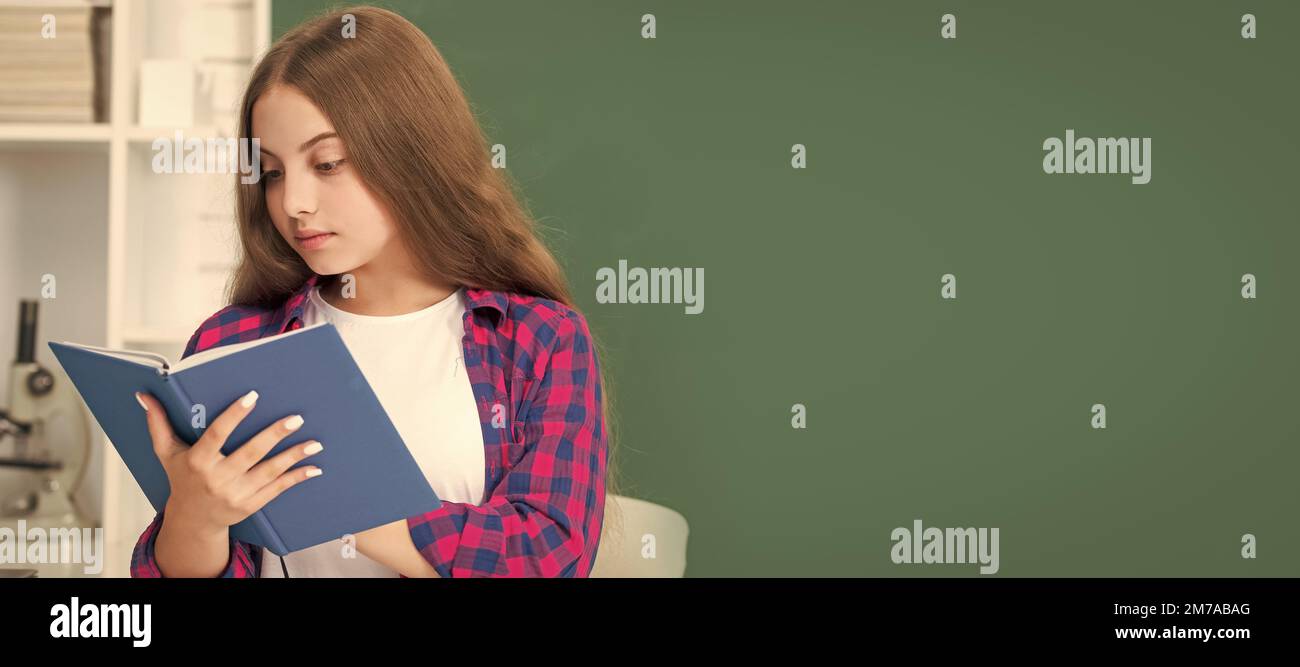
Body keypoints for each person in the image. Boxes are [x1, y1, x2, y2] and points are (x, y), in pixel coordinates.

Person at [129, 5, 612, 578]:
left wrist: (351, 504)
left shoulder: (539, 339)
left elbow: (548, 553)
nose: (293, 203)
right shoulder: (231, 340)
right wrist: (196, 516)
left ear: (411, 154)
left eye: (327, 163)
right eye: (274, 172)